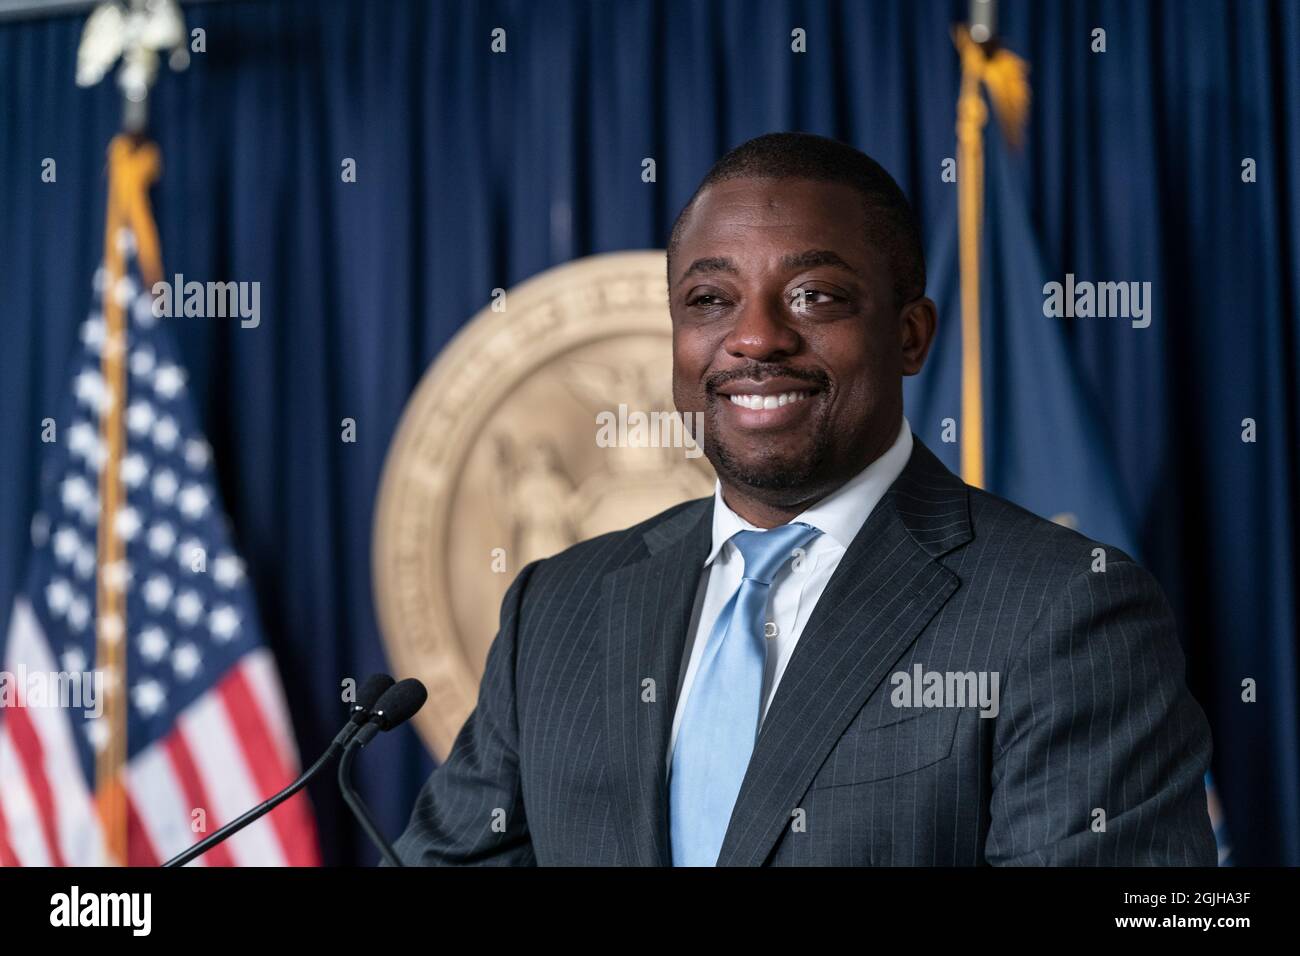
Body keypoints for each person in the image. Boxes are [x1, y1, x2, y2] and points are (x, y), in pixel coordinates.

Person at [392, 131, 1216, 866]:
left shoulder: (1067, 610)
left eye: (815, 296)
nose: (754, 338)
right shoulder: (559, 605)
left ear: (910, 335)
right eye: (709, 300)